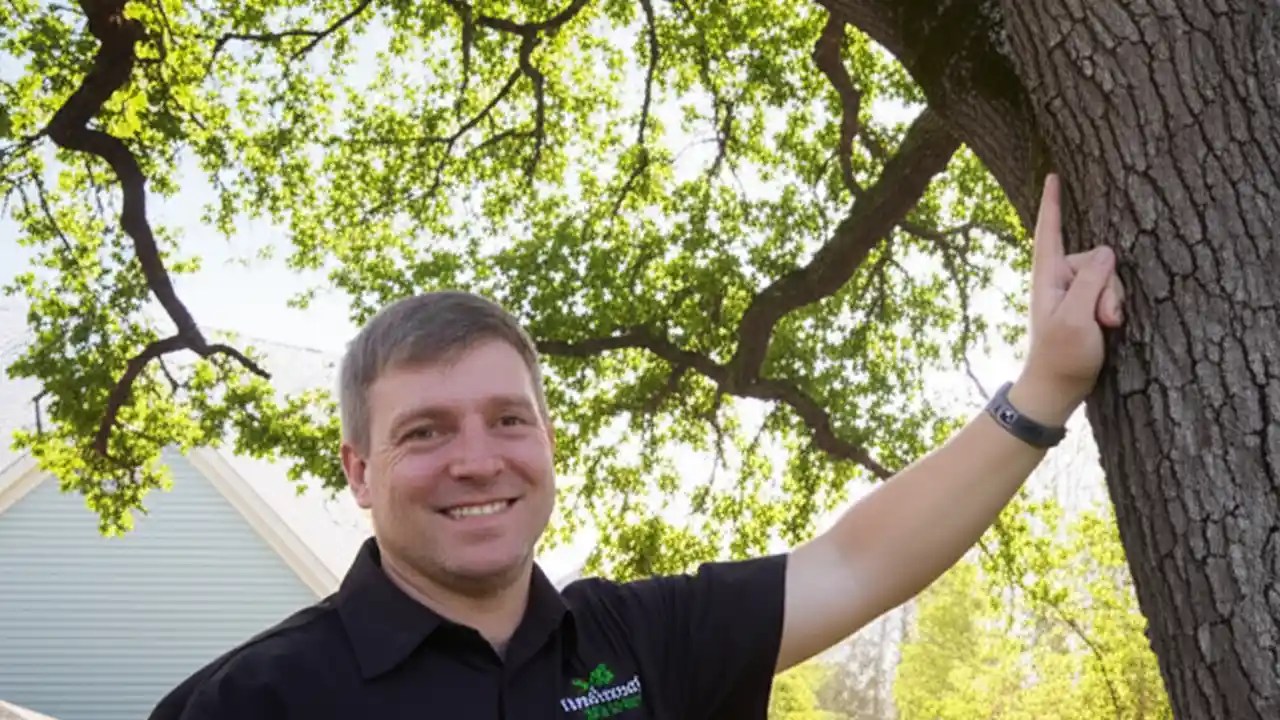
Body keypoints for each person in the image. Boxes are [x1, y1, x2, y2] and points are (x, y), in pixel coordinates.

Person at [147, 175, 1125, 719]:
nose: (478, 458)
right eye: (424, 432)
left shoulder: (639, 646)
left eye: (507, 419)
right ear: (358, 472)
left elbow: (856, 561)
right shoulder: (247, 706)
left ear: (547, 443)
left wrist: (1043, 387)